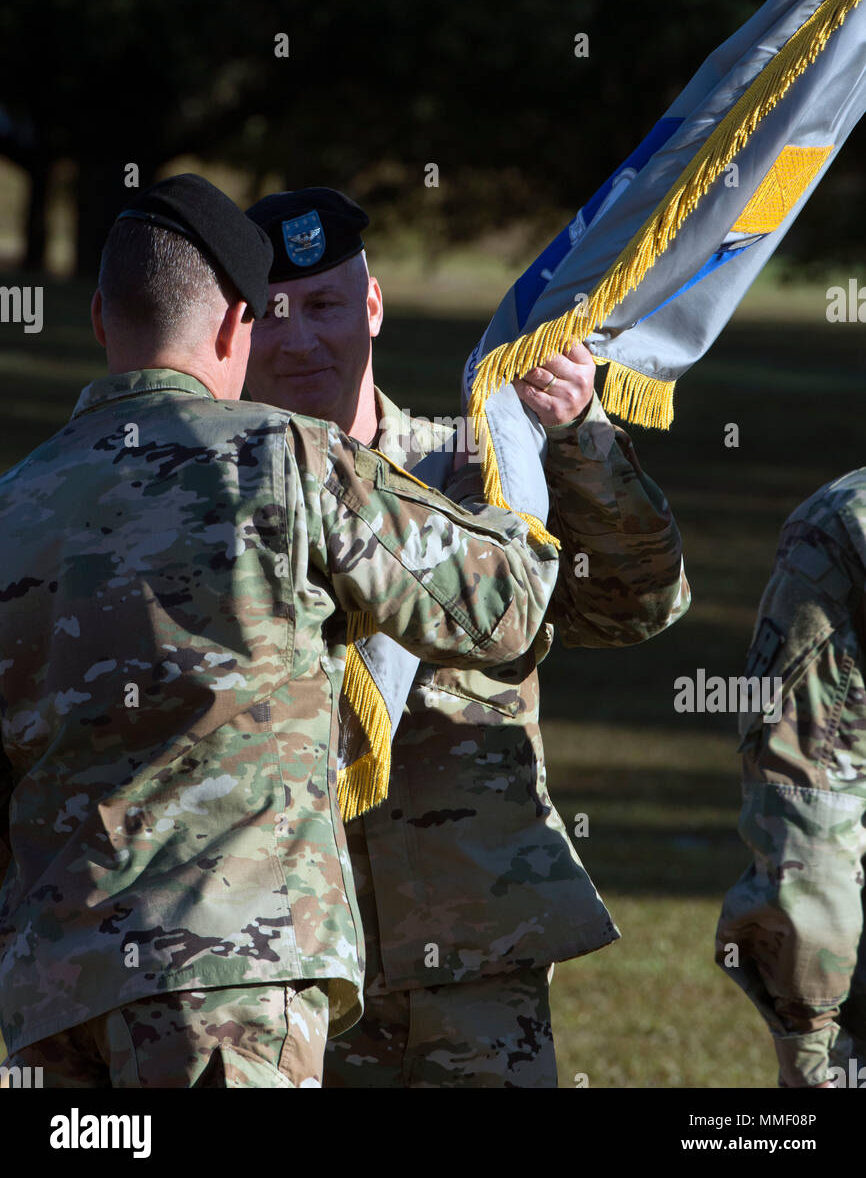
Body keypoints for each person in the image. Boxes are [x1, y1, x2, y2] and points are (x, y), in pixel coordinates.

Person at [0, 174, 560, 1089]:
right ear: (235, 325)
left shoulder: (13, 505)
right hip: (231, 983)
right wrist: (517, 465)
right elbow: (497, 609)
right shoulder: (283, 457)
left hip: (52, 995)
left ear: (102, 319)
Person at [245, 186, 690, 1088]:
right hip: (301, 960)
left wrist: (576, 435)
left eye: (326, 306)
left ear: (372, 307)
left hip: (482, 945)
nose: (299, 340)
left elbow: (637, 602)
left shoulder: (480, 470)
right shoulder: (219, 497)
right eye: (273, 314)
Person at [716, 469, 866, 1090]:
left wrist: (813, 1053)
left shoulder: (844, 521)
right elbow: (807, 800)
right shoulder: (849, 526)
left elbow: (806, 800)